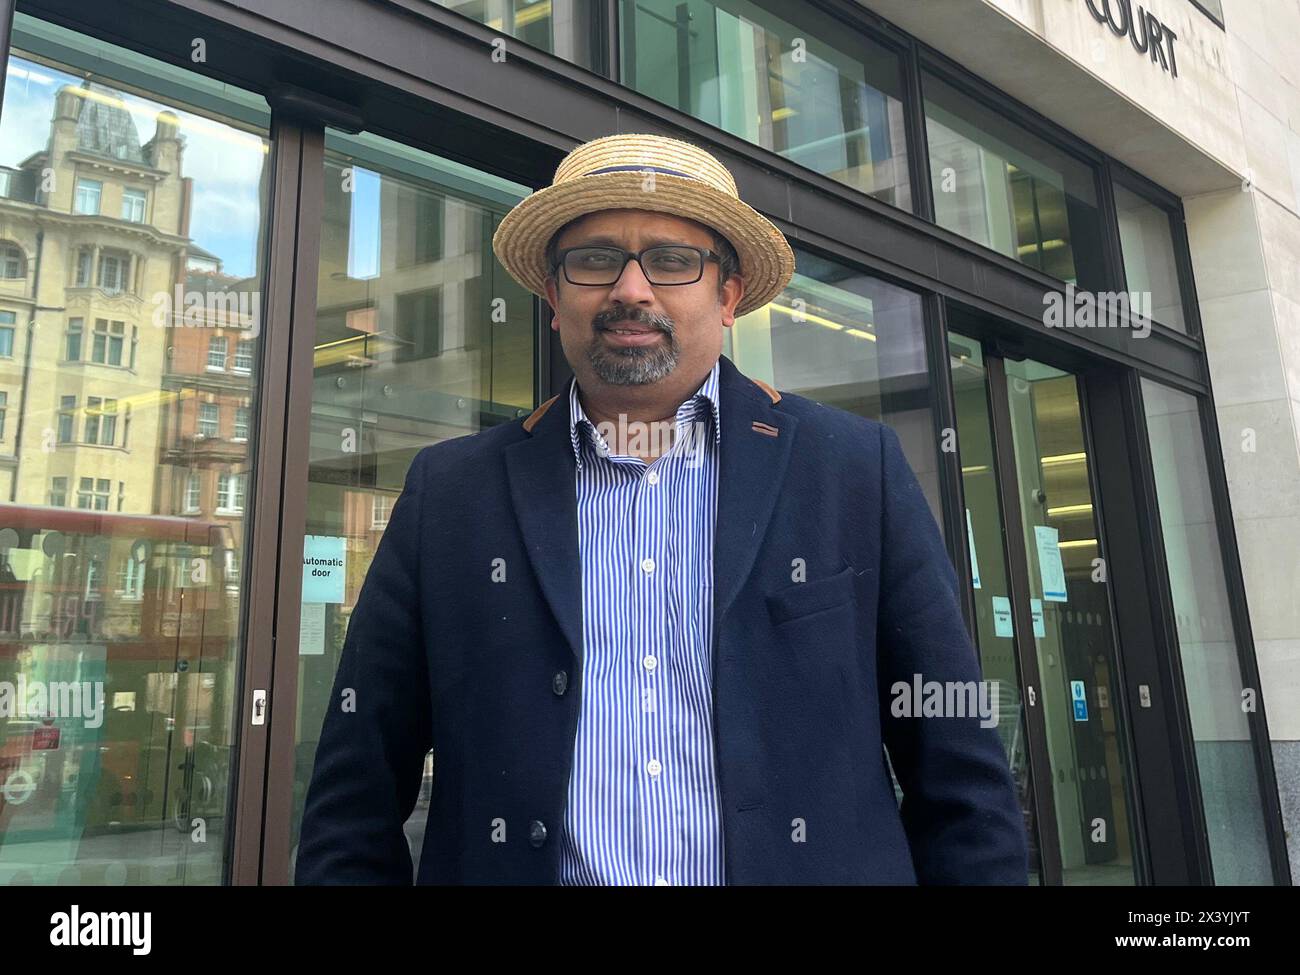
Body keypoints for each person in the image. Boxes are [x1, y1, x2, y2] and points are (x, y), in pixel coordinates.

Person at [295, 133, 1028, 885]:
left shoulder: (852, 470)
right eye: (595, 259)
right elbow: (356, 794)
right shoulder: (450, 494)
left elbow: (961, 783)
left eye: (673, 260)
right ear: (553, 297)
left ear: (729, 294)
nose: (631, 290)